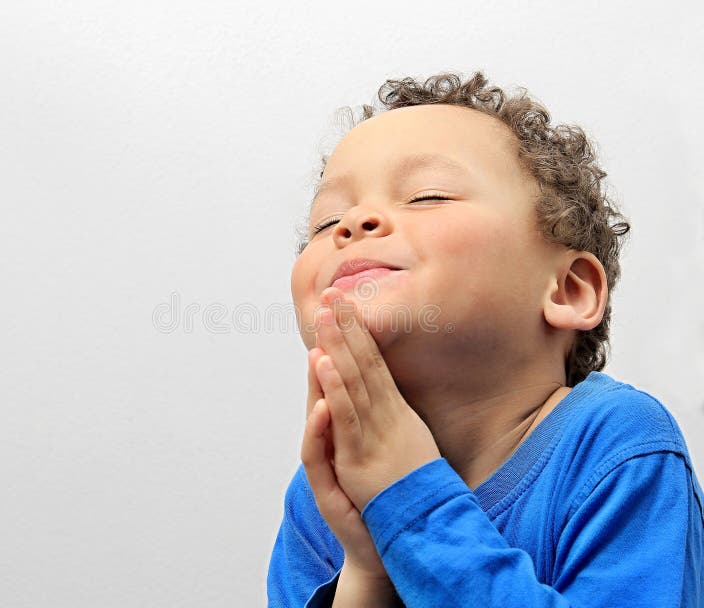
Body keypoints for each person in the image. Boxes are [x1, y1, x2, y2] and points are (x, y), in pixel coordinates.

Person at [266, 71, 704, 607]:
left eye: (427, 196)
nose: (352, 223)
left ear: (568, 290)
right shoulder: (322, 493)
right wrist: (366, 569)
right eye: (325, 221)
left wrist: (407, 500)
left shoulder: (617, 444)